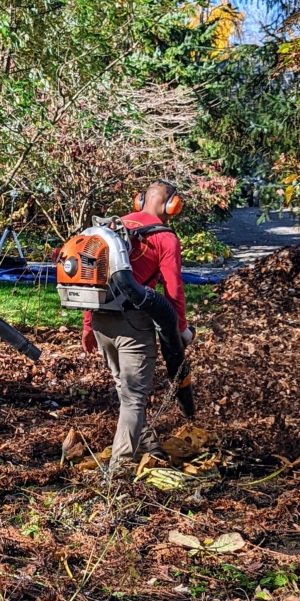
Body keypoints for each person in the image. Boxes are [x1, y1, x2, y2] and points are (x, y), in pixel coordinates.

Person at [81, 180, 194, 471]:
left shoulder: (111, 230)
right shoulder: (165, 238)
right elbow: (173, 290)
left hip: (100, 319)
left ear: (140, 200)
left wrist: (87, 326)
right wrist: (180, 328)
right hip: (133, 323)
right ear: (173, 206)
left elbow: (88, 274)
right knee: (133, 399)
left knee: (125, 389)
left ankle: (148, 445)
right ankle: (116, 473)